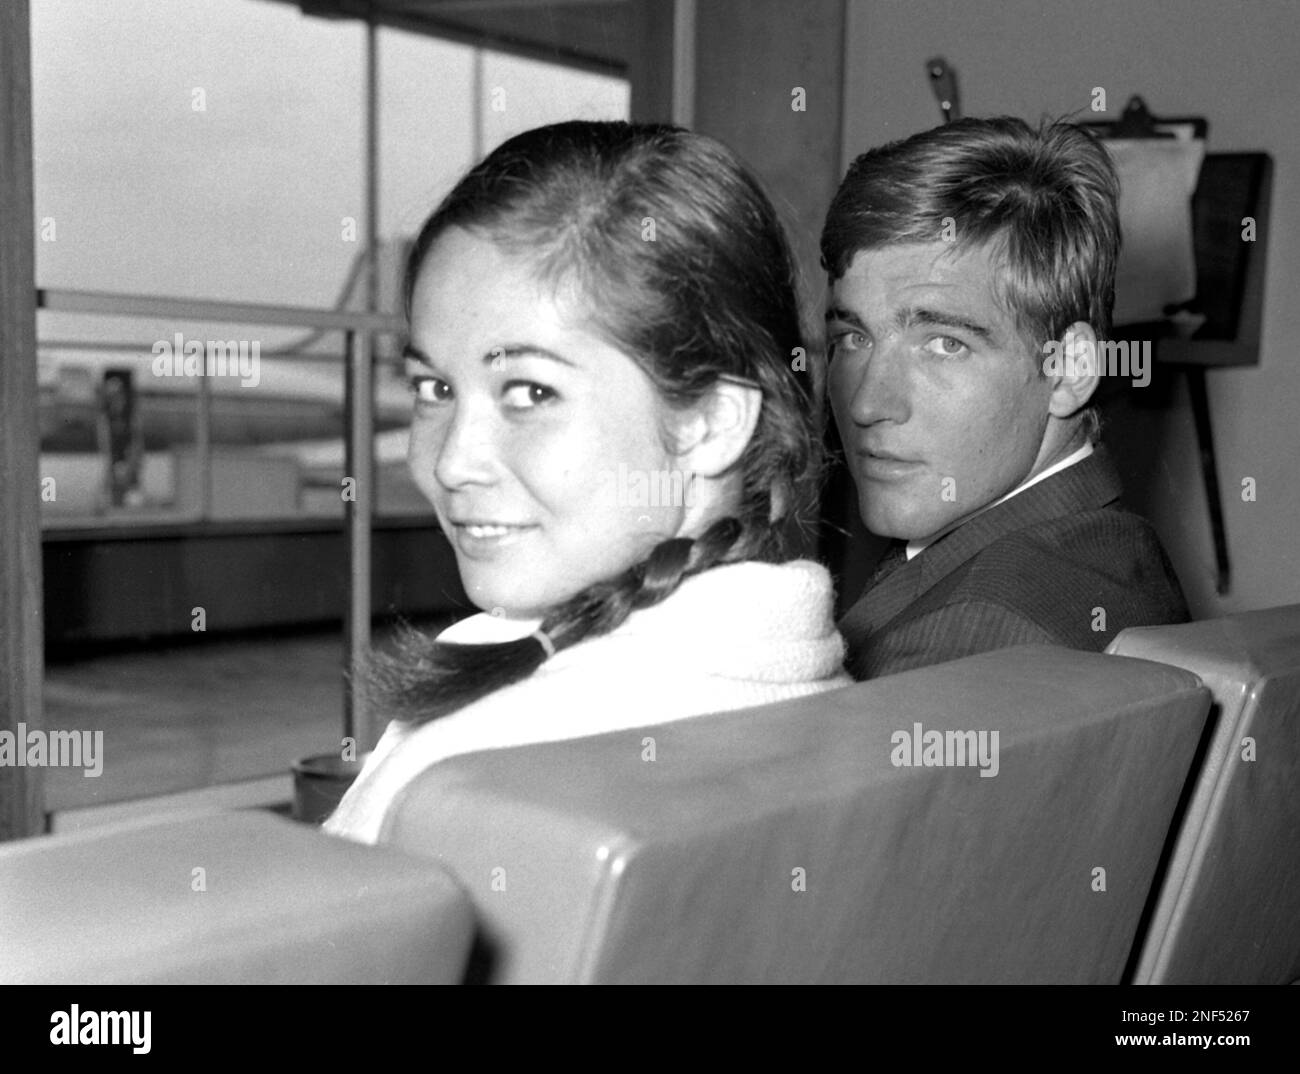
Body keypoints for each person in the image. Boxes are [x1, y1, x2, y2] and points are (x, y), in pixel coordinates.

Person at [325, 120, 850, 844]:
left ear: (709, 421)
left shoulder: (466, 768)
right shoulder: (823, 691)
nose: (451, 462)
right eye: (434, 389)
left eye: (531, 393)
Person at [821, 116, 1189, 680]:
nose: (868, 404)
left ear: (1069, 369)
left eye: (944, 344)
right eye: (853, 338)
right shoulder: (1112, 545)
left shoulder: (975, 635)